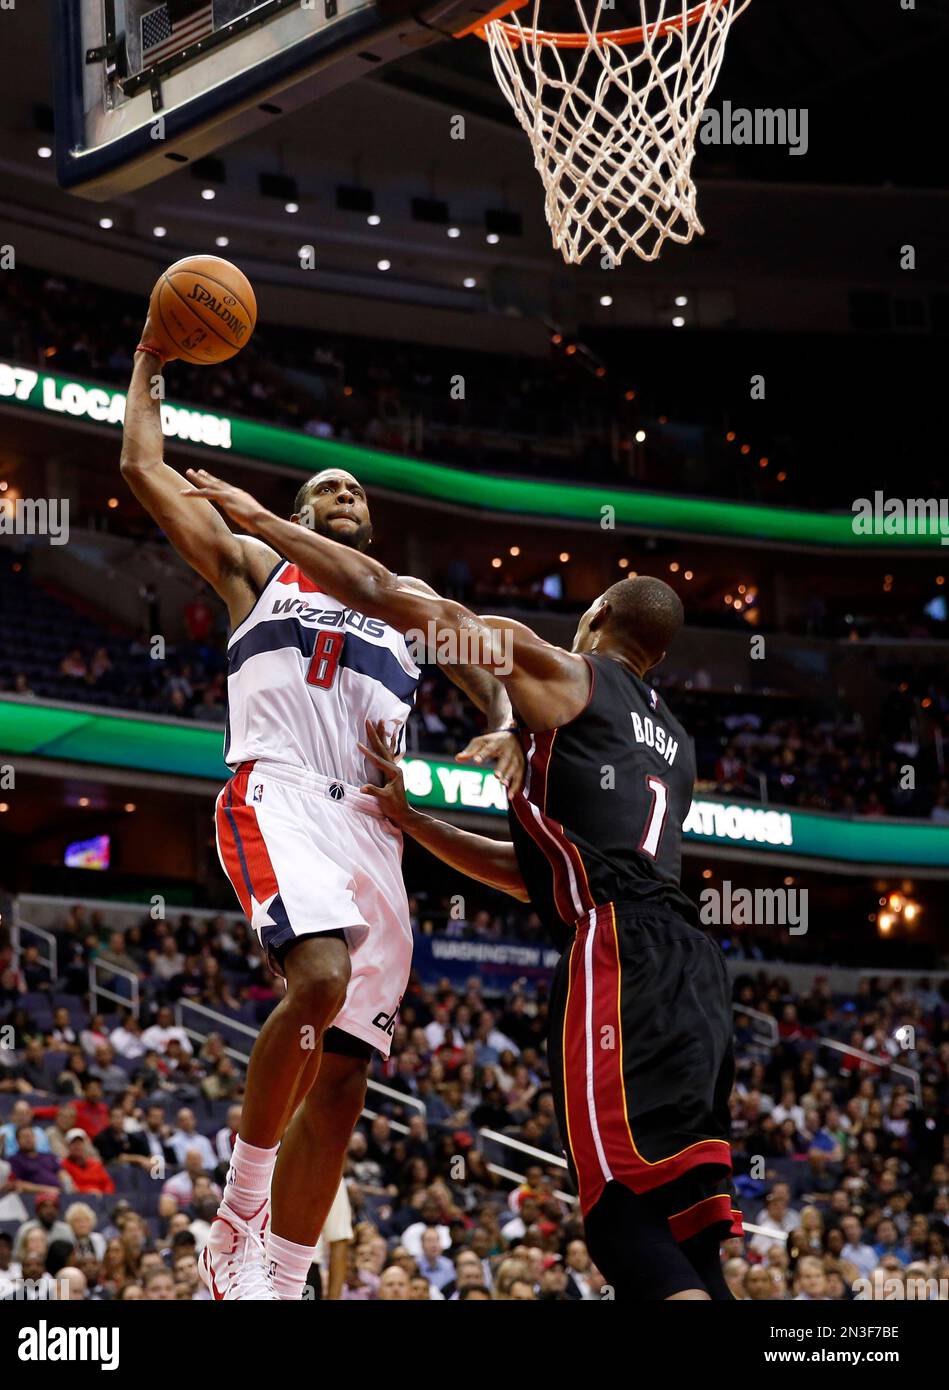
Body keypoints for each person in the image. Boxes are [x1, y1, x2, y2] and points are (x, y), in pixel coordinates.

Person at [183, 466, 738, 1302]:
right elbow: (529, 874)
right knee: (684, 1232)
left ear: (592, 620)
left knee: (621, 1217)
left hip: (617, 954)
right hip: (700, 974)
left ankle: (245, 1219)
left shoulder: (564, 674)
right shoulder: (676, 744)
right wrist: (413, 822)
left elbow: (401, 602)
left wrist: (262, 520)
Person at [120, 328, 520, 1300]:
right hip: (282, 790)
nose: (350, 496)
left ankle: (276, 1279)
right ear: (298, 512)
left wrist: (507, 726)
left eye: (360, 492)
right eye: (333, 487)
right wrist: (149, 359)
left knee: (344, 1080)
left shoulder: (406, 600)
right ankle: (237, 1215)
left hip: (377, 826)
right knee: (320, 977)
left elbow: (499, 672)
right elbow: (141, 464)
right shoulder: (258, 566)